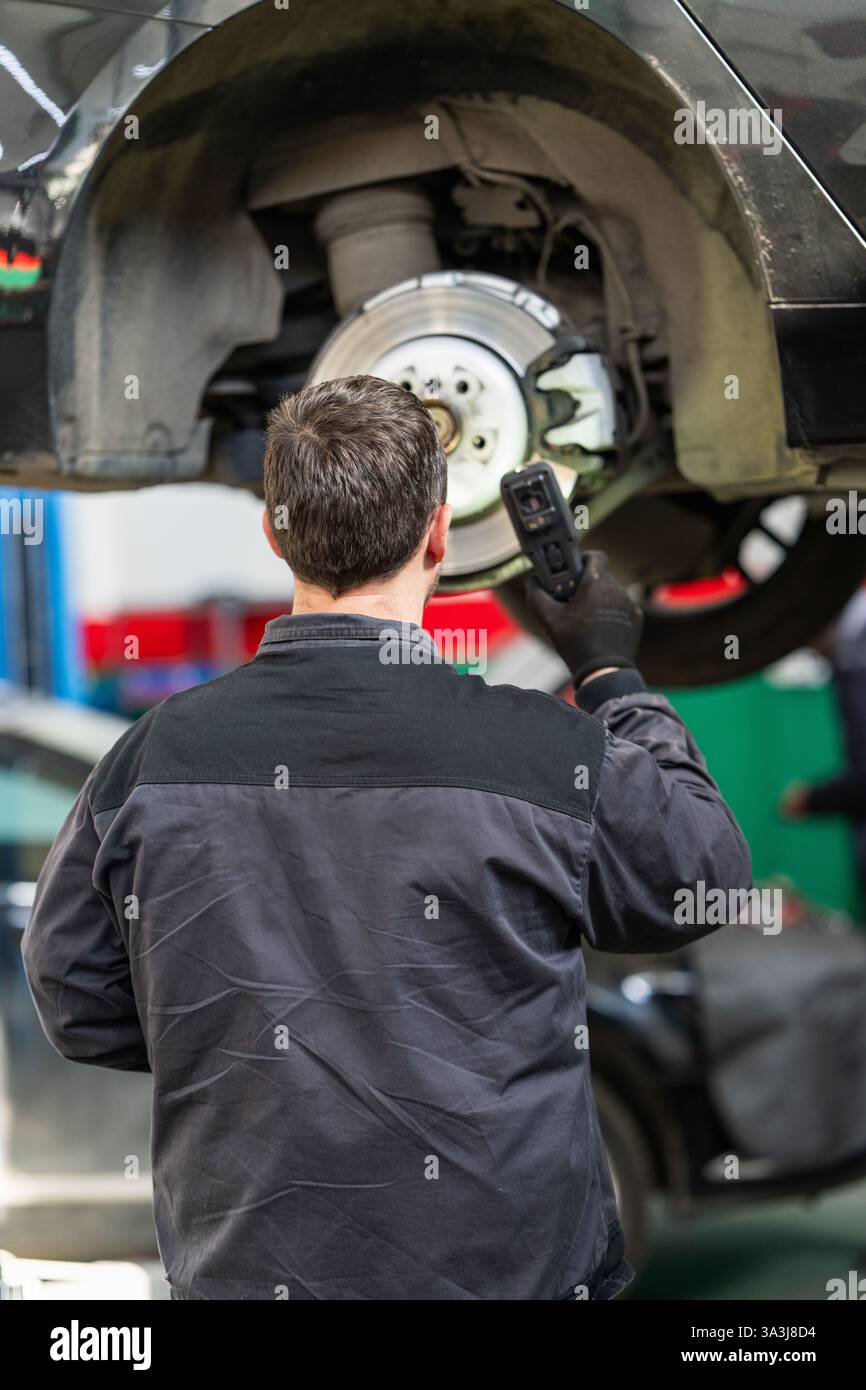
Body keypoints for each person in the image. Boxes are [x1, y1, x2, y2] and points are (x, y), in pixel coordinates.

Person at [22, 375, 751, 1301]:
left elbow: (75, 993)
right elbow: (705, 876)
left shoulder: (150, 761)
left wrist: (231, 1033)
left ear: (275, 533)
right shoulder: (543, 750)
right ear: (439, 535)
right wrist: (609, 670)